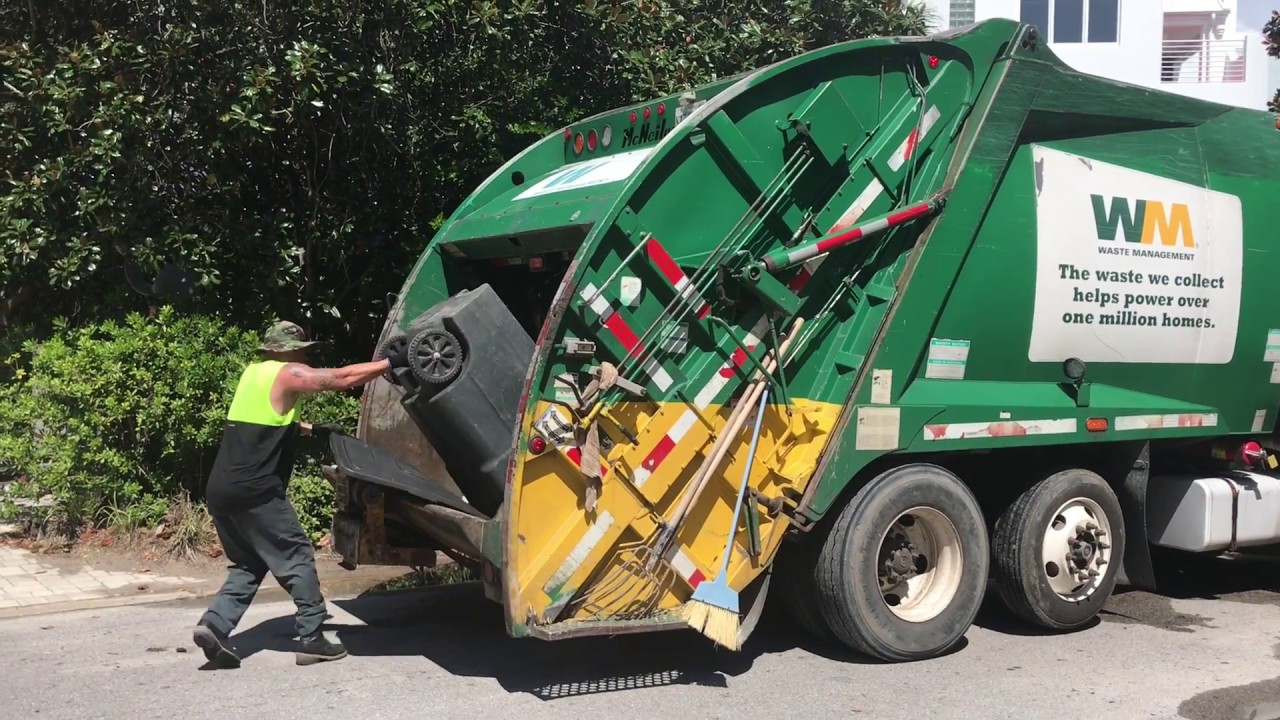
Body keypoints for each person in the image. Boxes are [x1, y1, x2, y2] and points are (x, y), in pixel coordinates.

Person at [192, 320, 407, 668]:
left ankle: (214, 625)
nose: (306, 357)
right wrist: (389, 363)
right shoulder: (288, 372)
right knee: (296, 557)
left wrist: (313, 430)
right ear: (289, 352)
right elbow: (341, 378)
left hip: (221, 490)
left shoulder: (253, 374)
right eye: (303, 352)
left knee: (249, 563)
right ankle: (311, 636)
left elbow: (265, 424)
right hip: (256, 492)